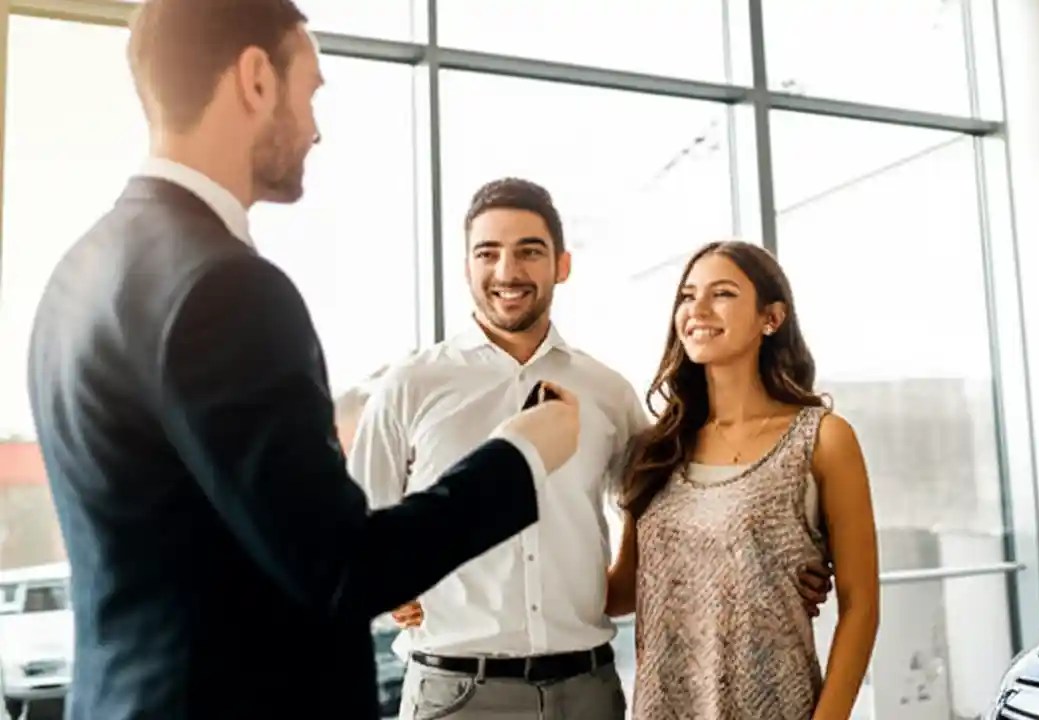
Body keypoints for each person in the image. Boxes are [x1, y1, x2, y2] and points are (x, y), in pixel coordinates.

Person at [23, 3, 579, 719]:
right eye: (310, 90)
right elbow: (342, 565)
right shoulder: (226, 286)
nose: (316, 127)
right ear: (256, 78)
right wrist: (522, 455)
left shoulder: (78, 275)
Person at [348, 179, 833, 720]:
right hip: (456, 694)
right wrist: (389, 589)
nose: (507, 271)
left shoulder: (607, 392)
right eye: (488, 253)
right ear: (467, 267)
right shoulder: (410, 385)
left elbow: (682, 513)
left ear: (562, 264)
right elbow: (353, 535)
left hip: (587, 693)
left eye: (529, 251)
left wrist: (776, 569)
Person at [606, 240, 880, 720]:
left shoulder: (822, 440)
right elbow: (622, 592)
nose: (698, 310)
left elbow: (861, 606)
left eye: (723, 294)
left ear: (770, 318)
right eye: (687, 296)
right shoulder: (656, 450)